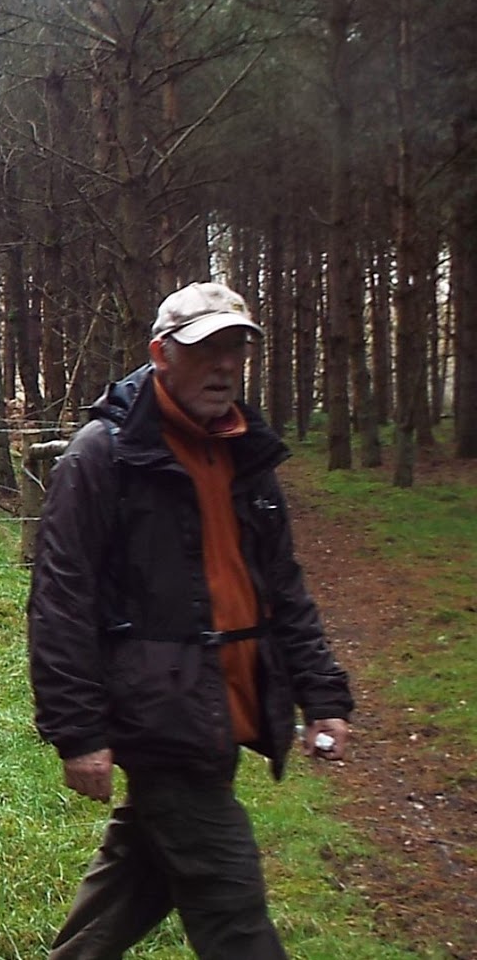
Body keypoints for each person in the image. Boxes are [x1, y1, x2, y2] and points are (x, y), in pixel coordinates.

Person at [27, 281, 354, 959]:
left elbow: (281, 587)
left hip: (221, 711)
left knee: (139, 876)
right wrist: (77, 731)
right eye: (206, 349)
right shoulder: (103, 455)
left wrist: (321, 692)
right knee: (234, 914)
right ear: (161, 354)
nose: (225, 365)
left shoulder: (244, 452)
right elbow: (60, 601)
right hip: (162, 719)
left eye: (236, 348)